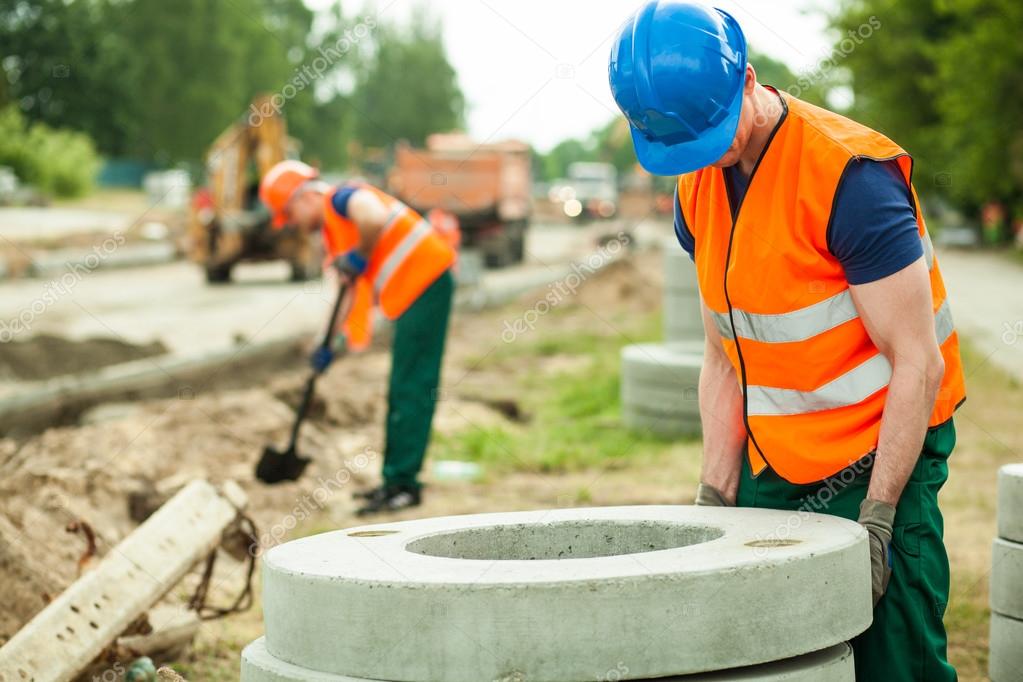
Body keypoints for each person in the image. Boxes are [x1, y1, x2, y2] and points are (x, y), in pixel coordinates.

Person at [609, 3, 966, 680]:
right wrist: (713, 499)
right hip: (779, 456)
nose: (704, 158)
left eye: (709, 134)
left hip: (883, 448)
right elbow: (722, 356)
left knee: (896, 658)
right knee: (769, 648)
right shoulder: (696, 187)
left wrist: (880, 521)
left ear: (747, 81)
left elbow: (915, 362)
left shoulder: (848, 178)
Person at [259, 161, 456, 515]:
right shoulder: (337, 235)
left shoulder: (342, 199)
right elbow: (346, 294)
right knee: (402, 386)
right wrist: (326, 344)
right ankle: (395, 481)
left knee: (411, 385)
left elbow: (374, 218)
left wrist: (361, 255)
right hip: (418, 289)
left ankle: (403, 485)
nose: (292, 224)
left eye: (288, 214)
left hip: (427, 282)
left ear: (304, 197)